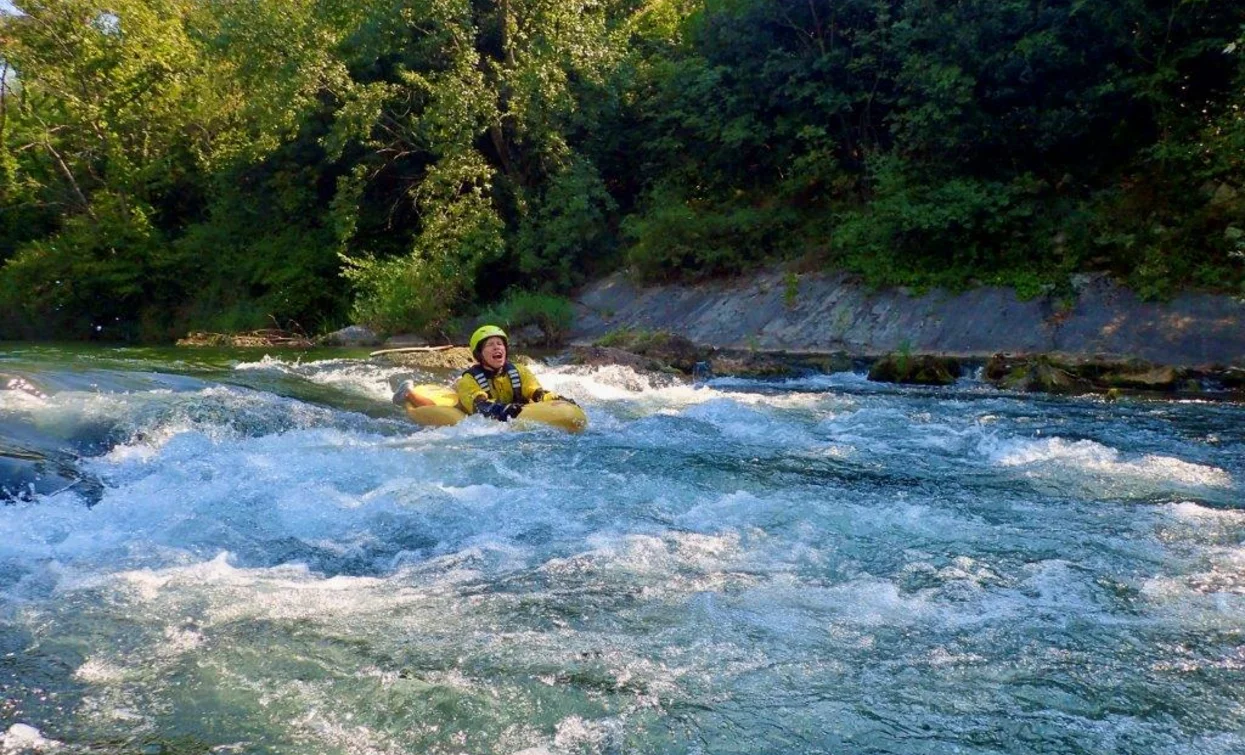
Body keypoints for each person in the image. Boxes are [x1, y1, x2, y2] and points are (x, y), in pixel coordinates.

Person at [391, 325, 574, 422]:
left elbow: (535, 392)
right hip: (467, 409)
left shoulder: (520, 371)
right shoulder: (469, 380)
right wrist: (499, 409)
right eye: (490, 345)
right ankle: (408, 392)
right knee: (433, 405)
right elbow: (480, 407)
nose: (497, 347)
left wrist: (556, 399)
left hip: (507, 408)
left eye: (500, 344)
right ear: (479, 354)